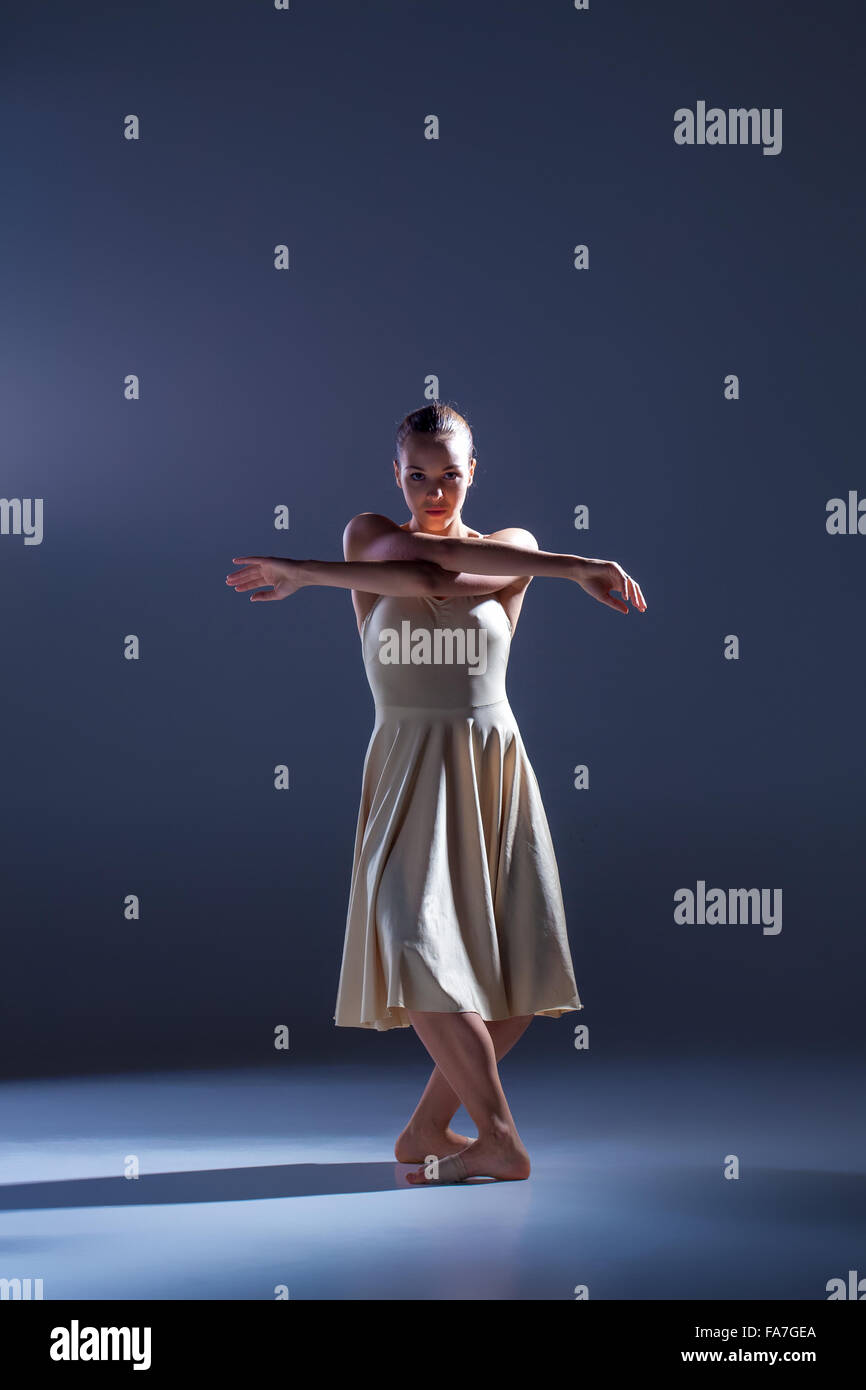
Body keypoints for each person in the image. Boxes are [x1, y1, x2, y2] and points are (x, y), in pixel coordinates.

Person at [226, 402, 647, 1184]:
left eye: (450, 474)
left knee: (516, 979)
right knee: (414, 946)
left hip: (491, 761)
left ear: (473, 471)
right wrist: (579, 565)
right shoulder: (366, 537)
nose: (434, 491)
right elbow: (422, 573)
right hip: (407, 761)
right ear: (397, 474)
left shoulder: (515, 547)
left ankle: (426, 1129)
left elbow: (458, 573)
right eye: (418, 475)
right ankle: (499, 1140)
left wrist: (570, 563)